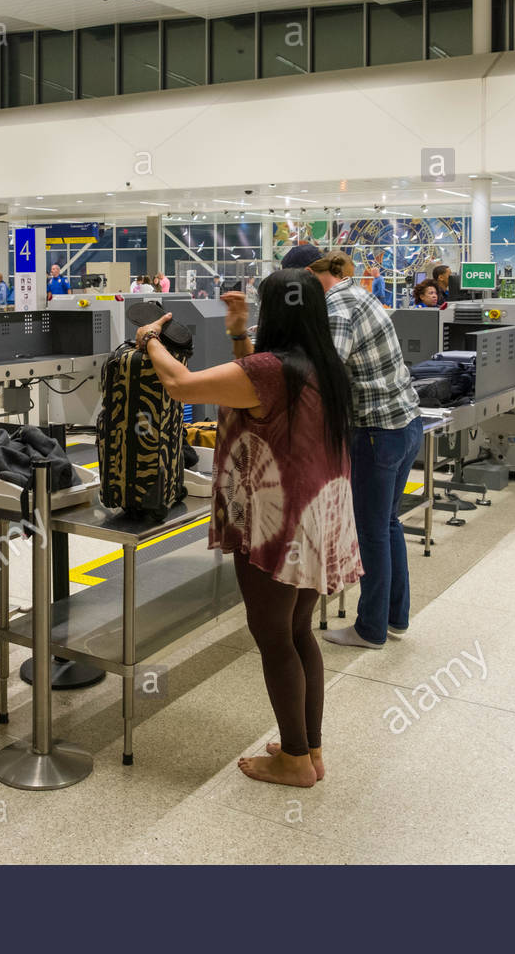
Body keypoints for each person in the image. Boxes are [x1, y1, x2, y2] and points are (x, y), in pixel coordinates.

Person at [133, 272, 361, 788]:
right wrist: (237, 333)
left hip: (274, 524)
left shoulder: (267, 369)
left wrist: (148, 339)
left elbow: (180, 385)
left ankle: (295, 762)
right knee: (299, 631)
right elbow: (259, 390)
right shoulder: (321, 365)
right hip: (317, 516)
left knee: (272, 636)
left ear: (276, 313)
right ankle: (309, 748)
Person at [307, 252, 422, 650]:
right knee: (389, 524)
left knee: (372, 532)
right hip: (406, 424)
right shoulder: (361, 295)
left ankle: (370, 629)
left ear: (317, 274)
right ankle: (395, 618)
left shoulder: (336, 304)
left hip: (376, 432)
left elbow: (330, 370)